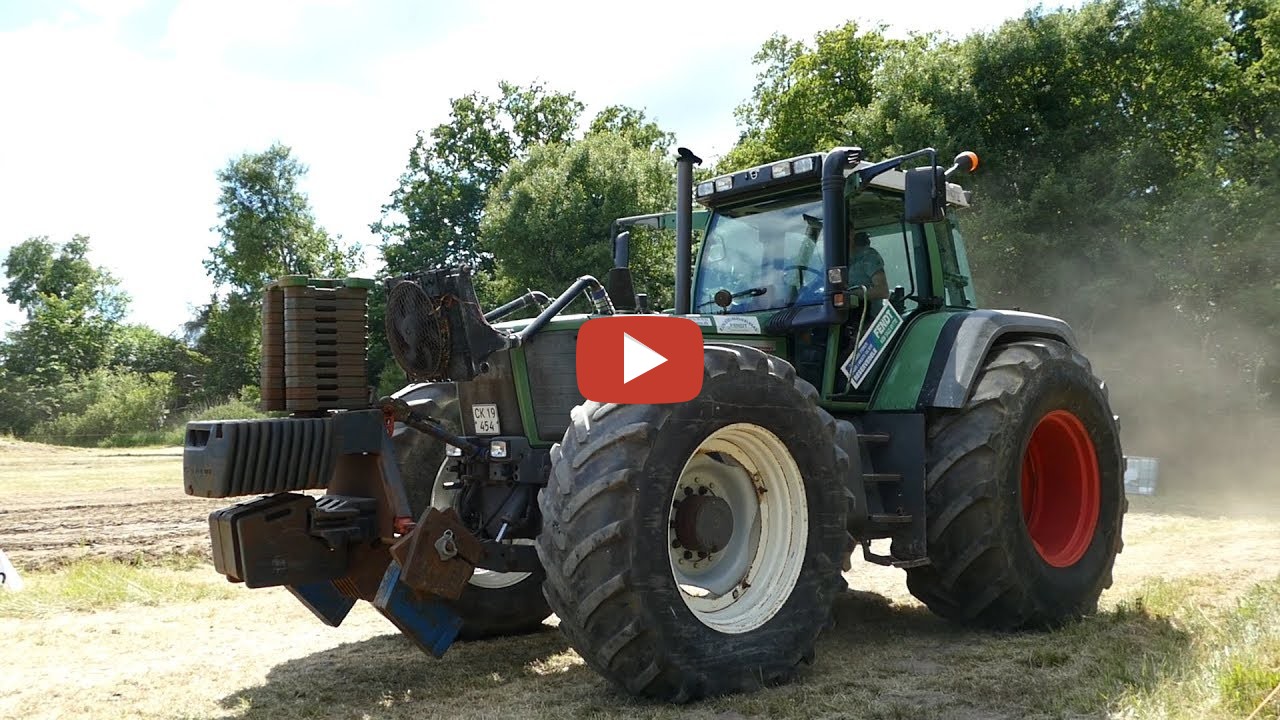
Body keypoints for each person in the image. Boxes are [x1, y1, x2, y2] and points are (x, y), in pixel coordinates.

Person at [848, 230, 890, 311]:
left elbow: (883, 291)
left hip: (869, 316)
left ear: (851, 235)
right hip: (842, 316)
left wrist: (851, 295)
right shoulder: (832, 262)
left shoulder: (868, 256)